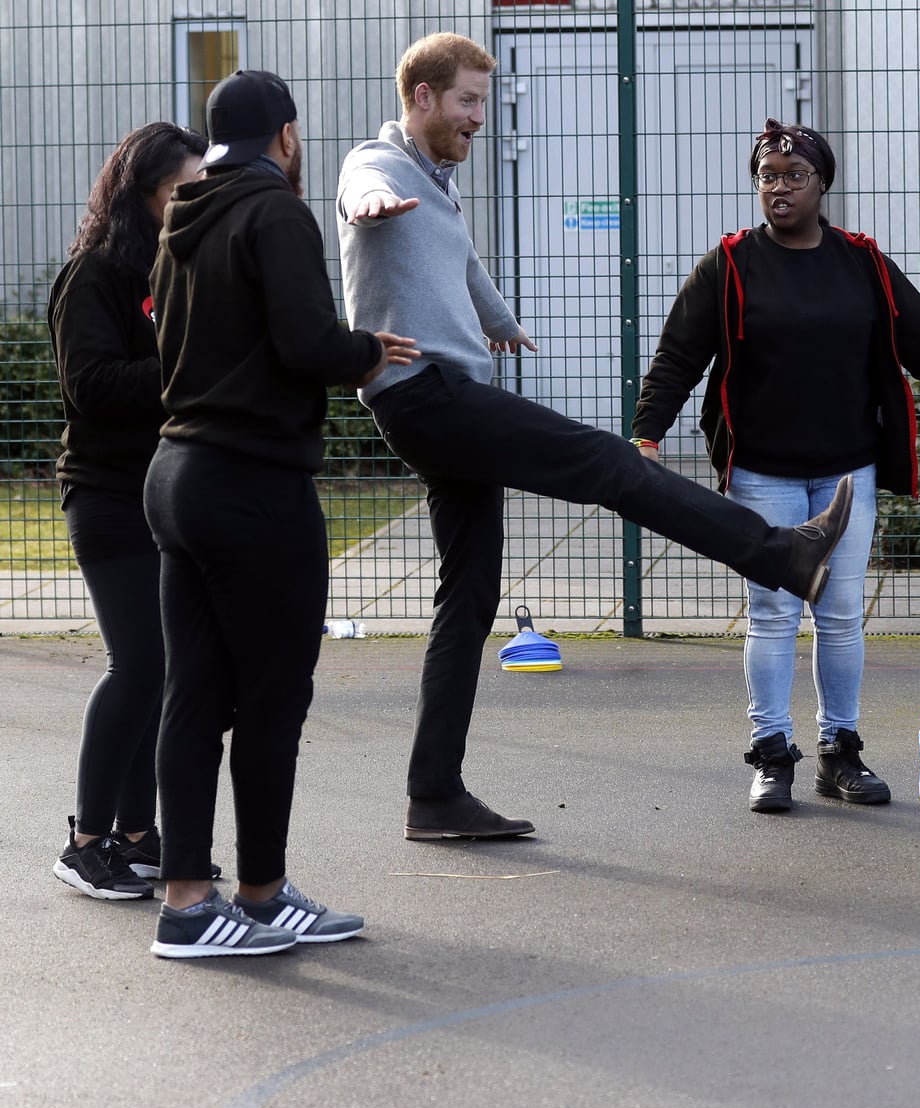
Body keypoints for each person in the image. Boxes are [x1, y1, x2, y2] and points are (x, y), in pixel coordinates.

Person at [335, 36, 857, 838]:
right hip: (429, 400)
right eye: (469, 101)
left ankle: (433, 794)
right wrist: (366, 202)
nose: (479, 118)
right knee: (610, 464)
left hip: (446, 399)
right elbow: (362, 187)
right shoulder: (378, 163)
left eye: (483, 101)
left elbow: (459, 261)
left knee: (468, 599)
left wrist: (498, 320)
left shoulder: (437, 186)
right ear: (423, 97)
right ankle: (780, 554)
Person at [631, 118, 920, 812]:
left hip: (848, 472)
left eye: (794, 176)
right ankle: (771, 756)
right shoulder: (728, 265)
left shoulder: (865, 265)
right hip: (762, 472)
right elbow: (677, 357)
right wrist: (646, 438)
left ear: (823, 182)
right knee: (771, 611)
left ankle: (839, 752)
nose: (778, 187)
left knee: (841, 613)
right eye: (767, 176)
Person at [145, 70, 417, 957]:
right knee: (270, 697)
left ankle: (188, 899)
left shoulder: (183, 218)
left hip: (177, 474)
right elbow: (307, 344)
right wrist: (370, 348)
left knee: (192, 694)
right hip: (252, 486)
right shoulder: (275, 212)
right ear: (288, 138)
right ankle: (259, 893)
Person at [46, 122, 206, 900]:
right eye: (181, 189)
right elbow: (94, 387)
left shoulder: (173, 269)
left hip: (163, 491)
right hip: (107, 496)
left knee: (165, 669)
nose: (192, 202)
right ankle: (83, 840)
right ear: (140, 191)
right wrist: (185, 374)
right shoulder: (94, 276)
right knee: (138, 664)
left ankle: (138, 837)